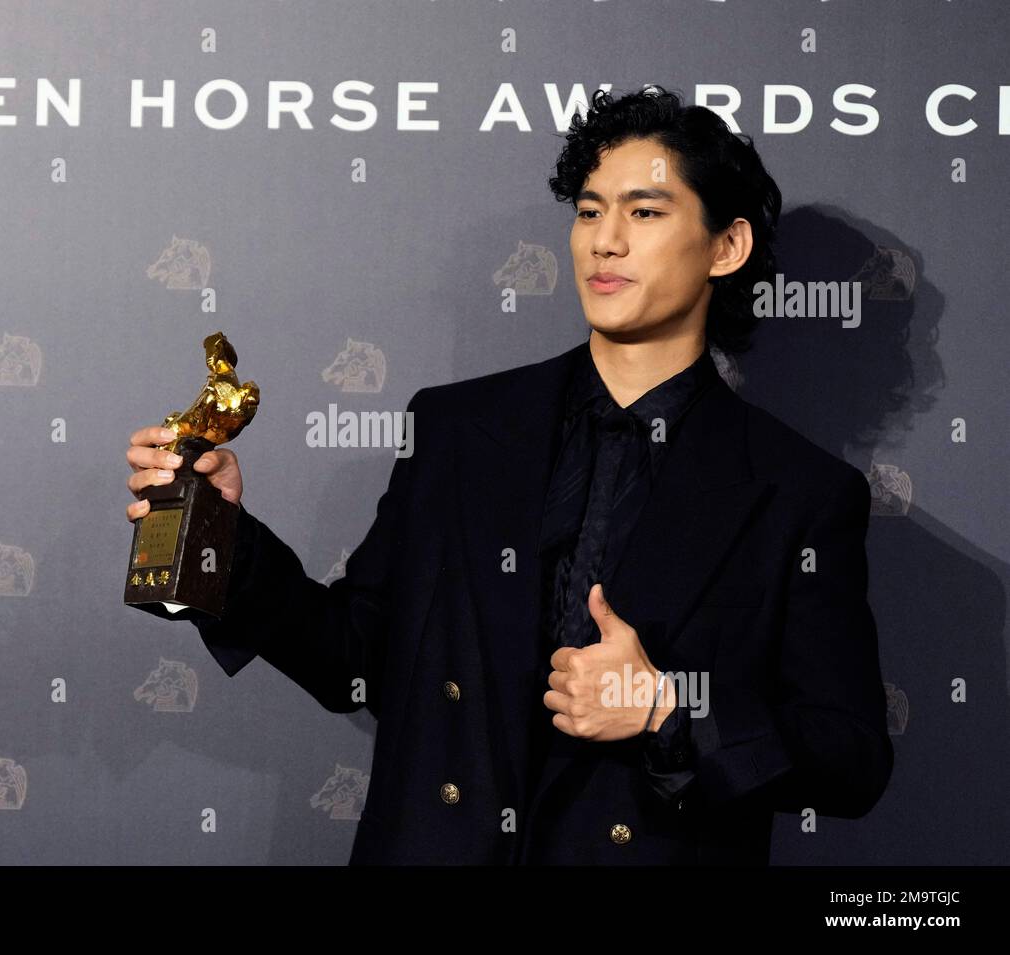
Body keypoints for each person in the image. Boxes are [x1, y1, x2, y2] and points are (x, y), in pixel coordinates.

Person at [125, 86, 893, 865]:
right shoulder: (459, 430)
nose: (606, 241)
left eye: (646, 212)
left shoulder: (799, 492)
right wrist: (216, 535)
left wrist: (667, 708)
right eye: (590, 211)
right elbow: (360, 659)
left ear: (725, 248)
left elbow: (851, 757)